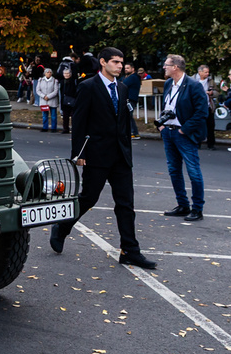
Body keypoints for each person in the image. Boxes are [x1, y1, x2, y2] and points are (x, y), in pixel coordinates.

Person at [50, 46, 156, 269]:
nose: (120, 66)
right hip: (97, 155)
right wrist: (78, 153)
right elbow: (79, 122)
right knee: (88, 198)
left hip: (120, 157)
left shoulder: (123, 88)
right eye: (116, 62)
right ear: (103, 63)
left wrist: (127, 149)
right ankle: (62, 228)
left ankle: (130, 250)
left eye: (121, 62)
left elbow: (124, 123)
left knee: (126, 204)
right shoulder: (88, 86)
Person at [159, 54, 209, 222]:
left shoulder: (193, 86)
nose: (164, 67)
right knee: (174, 170)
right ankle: (182, 205)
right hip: (169, 132)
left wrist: (184, 130)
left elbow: (202, 112)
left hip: (184, 134)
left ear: (176, 67)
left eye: (166, 65)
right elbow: (166, 105)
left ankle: (197, 209)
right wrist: (161, 126)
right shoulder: (168, 84)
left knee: (193, 171)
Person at [196, 64, 217, 149]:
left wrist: (212, 93)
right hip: (197, 107)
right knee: (198, 125)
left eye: (208, 72)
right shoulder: (192, 80)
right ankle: (197, 143)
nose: (207, 74)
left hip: (208, 106)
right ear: (199, 72)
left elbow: (217, 92)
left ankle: (211, 144)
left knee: (210, 125)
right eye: (205, 72)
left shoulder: (211, 81)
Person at [35, 67, 60, 132]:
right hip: (44, 101)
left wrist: (48, 96)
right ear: (44, 73)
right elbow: (38, 90)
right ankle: (45, 127)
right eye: (47, 72)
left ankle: (53, 128)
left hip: (52, 100)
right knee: (44, 115)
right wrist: (43, 96)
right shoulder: (40, 80)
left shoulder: (54, 81)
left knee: (53, 116)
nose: (49, 73)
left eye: (50, 72)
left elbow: (56, 91)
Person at [60, 64, 78, 136]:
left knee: (73, 116)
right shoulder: (62, 82)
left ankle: (74, 128)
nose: (66, 75)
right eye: (65, 73)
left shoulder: (74, 81)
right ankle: (65, 128)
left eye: (68, 73)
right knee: (65, 116)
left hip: (72, 100)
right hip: (64, 100)